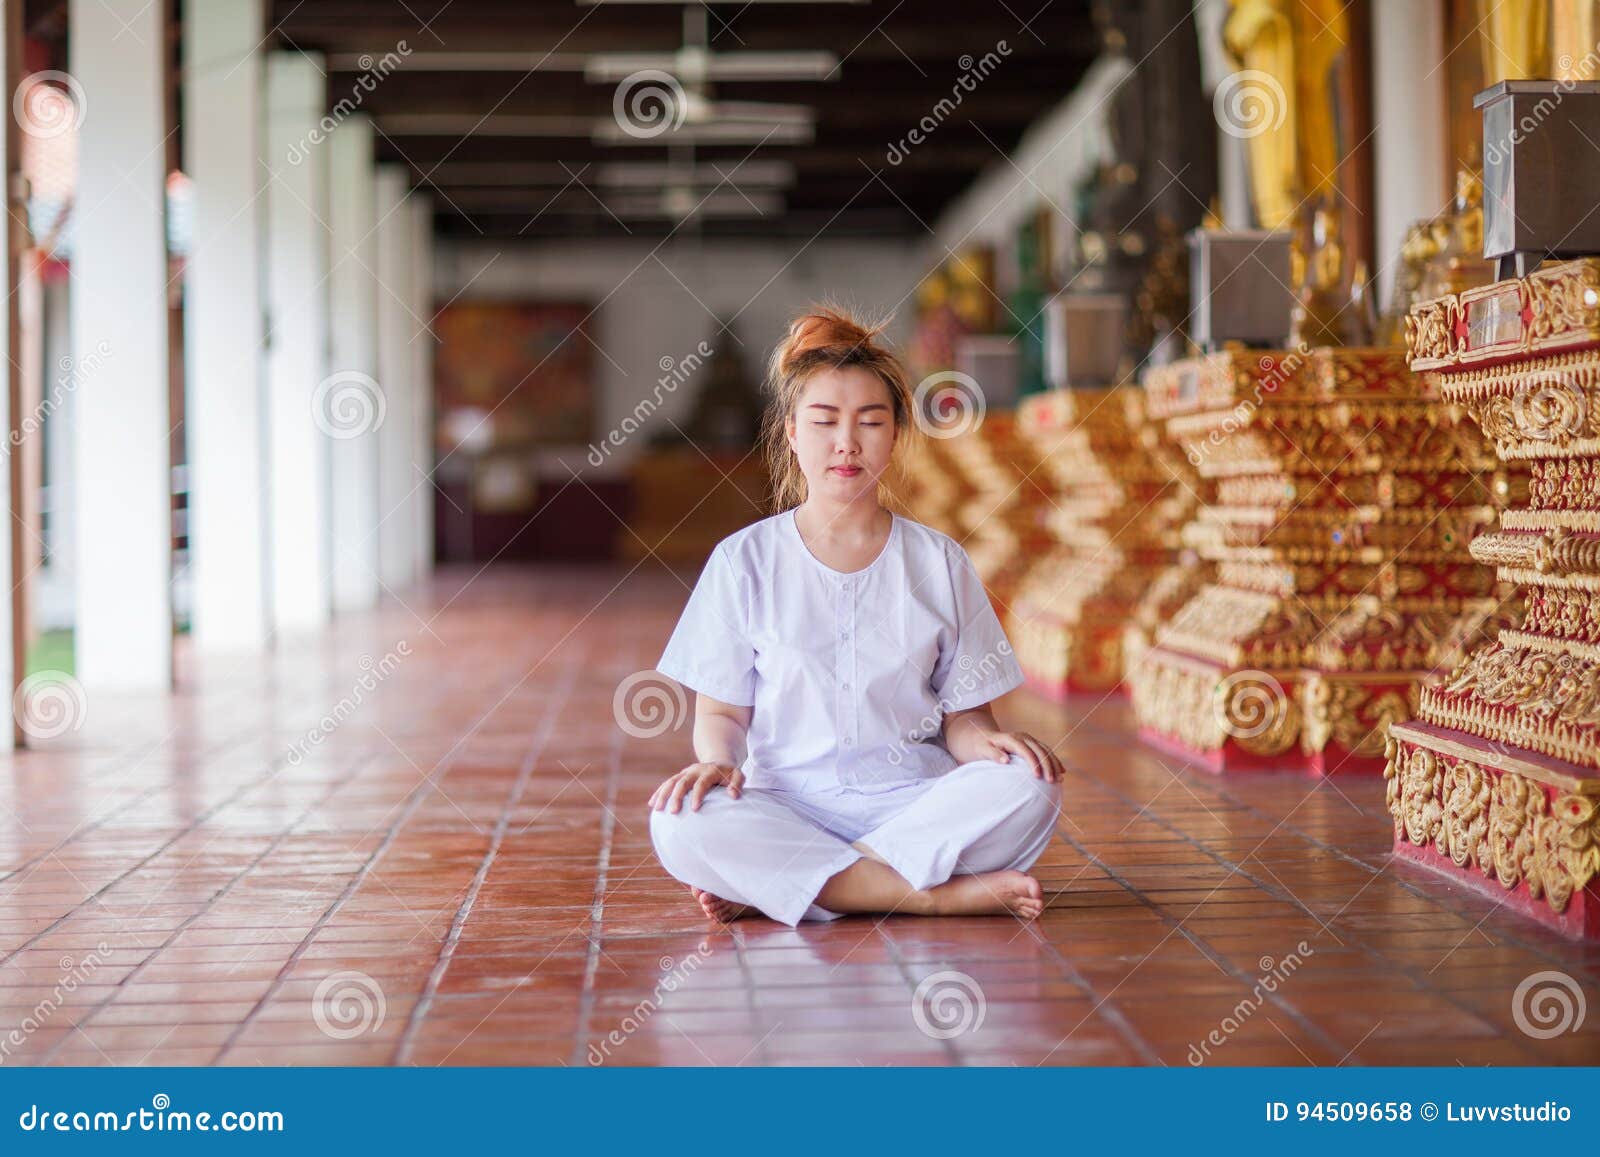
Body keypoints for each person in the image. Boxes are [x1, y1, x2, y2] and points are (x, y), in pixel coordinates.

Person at [648, 303, 1063, 926]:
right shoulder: (744, 561)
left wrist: (990, 745)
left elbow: (965, 720)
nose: (846, 443)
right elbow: (722, 712)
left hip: (911, 802)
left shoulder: (938, 560)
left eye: (870, 422)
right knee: (679, 821)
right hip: (785, 805)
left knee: (1032, 784)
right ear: (791, 432)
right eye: (823, 422)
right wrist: (718, 763)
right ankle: (925, 894)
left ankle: (796, 886)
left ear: (895, 433)